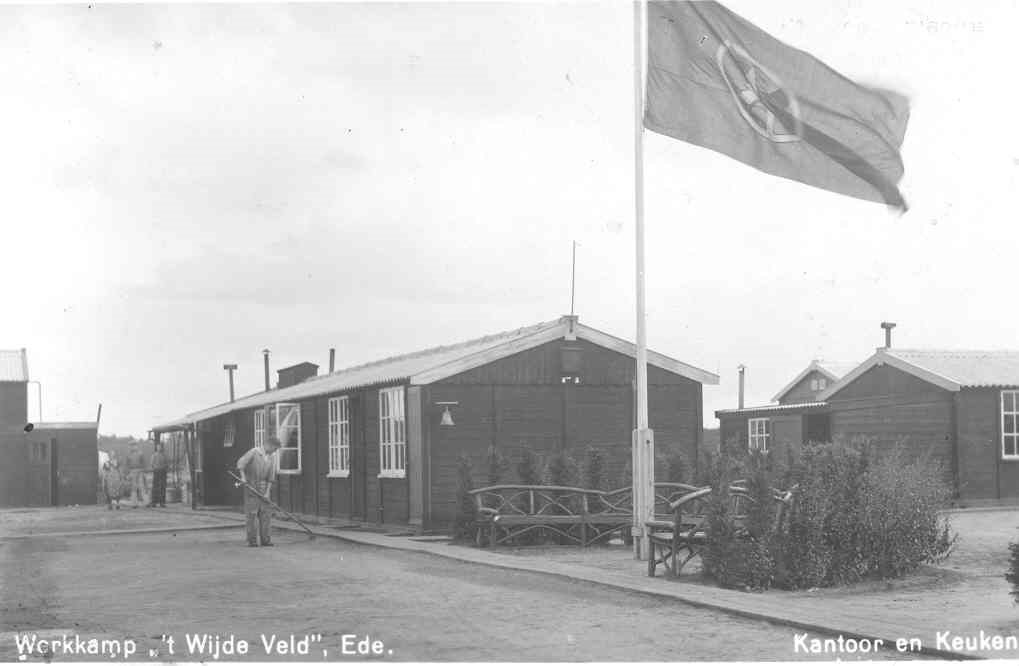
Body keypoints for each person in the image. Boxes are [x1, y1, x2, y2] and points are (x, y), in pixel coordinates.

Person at [236, 437, 280, 547]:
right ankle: (252, 541)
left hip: (264, 488)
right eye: (275, 448)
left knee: (266, 515)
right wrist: (243, 478)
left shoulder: (272, 457)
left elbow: (271, 477)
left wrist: (267, 492)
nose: (275, 451)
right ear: (268, 445)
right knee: (252, 515)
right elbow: (240, 464)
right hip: (251, 486)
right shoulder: (254, 452)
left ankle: (266, 540)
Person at [125, 442, 147, 508]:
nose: (133, 447)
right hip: (132, 472)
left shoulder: (141, 454)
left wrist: (143, 472)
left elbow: (144, 463)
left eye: (134, 445)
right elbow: (127, 465)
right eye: (131, 446)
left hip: (140, 471)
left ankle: (146, 502)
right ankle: (134, 503)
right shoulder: (128, 455)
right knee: (133, 488)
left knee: (142, 486)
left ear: (137, 446)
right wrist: (127, 474)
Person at [149, 441, 169, 508]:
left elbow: (167, 464)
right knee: (155, 487)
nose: (159, 447)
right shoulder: (154, 455)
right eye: (158, 446)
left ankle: (162, 502)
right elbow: (151, 464)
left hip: (163, 472)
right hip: (156, 472)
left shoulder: (165, 455)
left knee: (162, 487)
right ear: (156, 447)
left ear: (162, 447)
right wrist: (155, 468)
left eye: (160, 446)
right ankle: (154, 502)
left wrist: (165, 468)